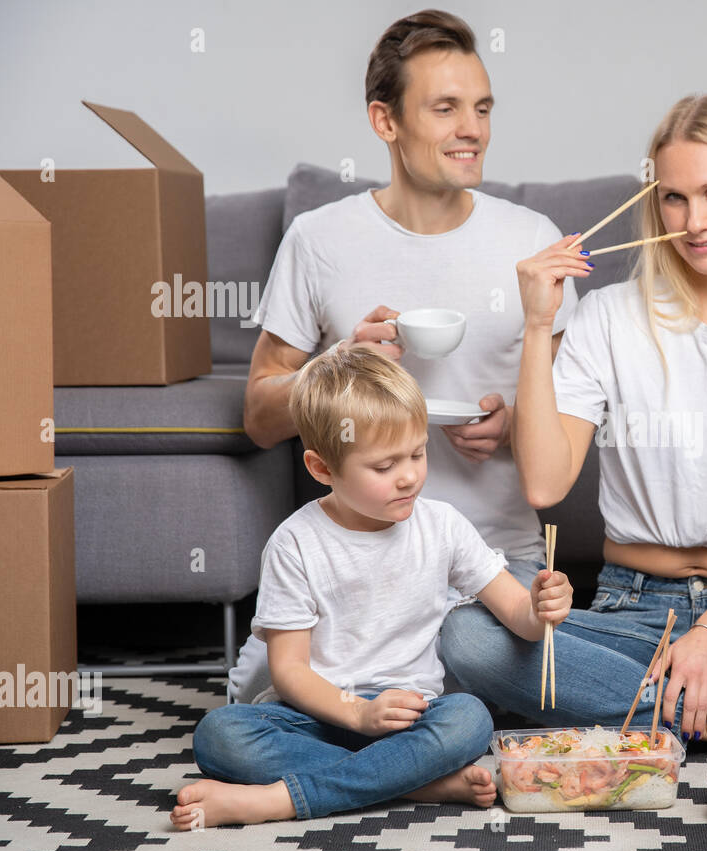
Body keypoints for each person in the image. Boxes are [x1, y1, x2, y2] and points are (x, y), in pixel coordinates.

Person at [441, 94, 707, 744]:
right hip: (628, 614)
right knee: (469, 634)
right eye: (674, 198)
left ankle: (643, 710)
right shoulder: (608, 317)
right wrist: (540, 324)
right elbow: (544, 485)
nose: (694, 220)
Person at [229, 8, 576, 702]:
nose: (472, 128)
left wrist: (513, 422)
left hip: (491, 560)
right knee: (255, 702)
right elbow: (259, 418)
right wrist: (336, 370)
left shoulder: (533, 241)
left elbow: (569, 424)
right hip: (353, 559)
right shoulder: (319, 239)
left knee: (459, 664)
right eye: (444, 108)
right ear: (384, 122)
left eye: (481, 108)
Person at [172, 346, 572, 828]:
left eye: (418, 453)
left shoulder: (442, 525)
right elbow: (289, 671)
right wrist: (359, 715)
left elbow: (523, 623)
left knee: (469, 718)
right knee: (220, 735)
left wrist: (542, 606)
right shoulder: (295, 543)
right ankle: (420, 783)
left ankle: (280, 799)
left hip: (411, 720)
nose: (408, 476)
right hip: (318, 718)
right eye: (383, 467)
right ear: (322, 469)